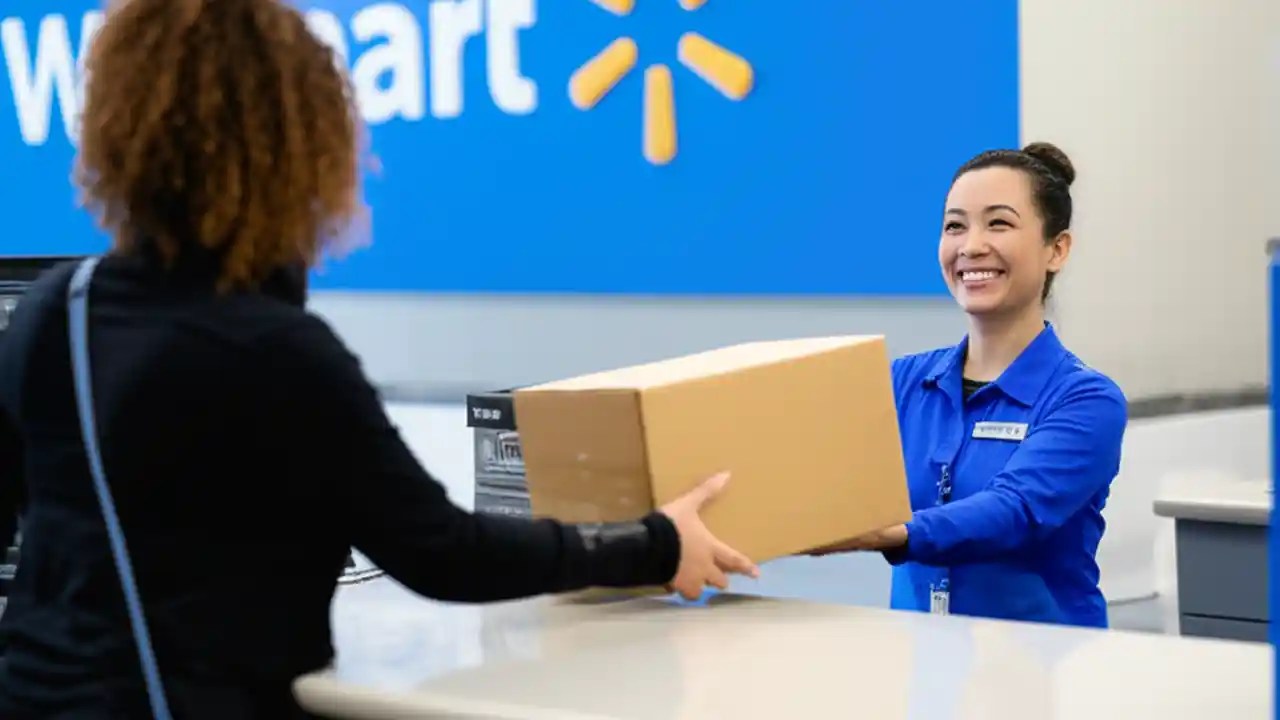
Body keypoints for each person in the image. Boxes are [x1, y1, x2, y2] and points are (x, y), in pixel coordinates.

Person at [0, 0, 758, 717]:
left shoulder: (55, 309)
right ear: (298, 149)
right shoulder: (278, 353)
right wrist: (654, 543)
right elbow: (444, 554)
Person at [813, 142, 1127, 628]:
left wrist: (893, 533)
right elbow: (819, 472)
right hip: (923, 673)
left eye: (998, 223)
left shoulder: (1086, 401)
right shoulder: (904, 382)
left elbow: (1015, 510)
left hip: (1047, 680)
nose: (971, 245)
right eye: (955, 225)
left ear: (1056, 249)